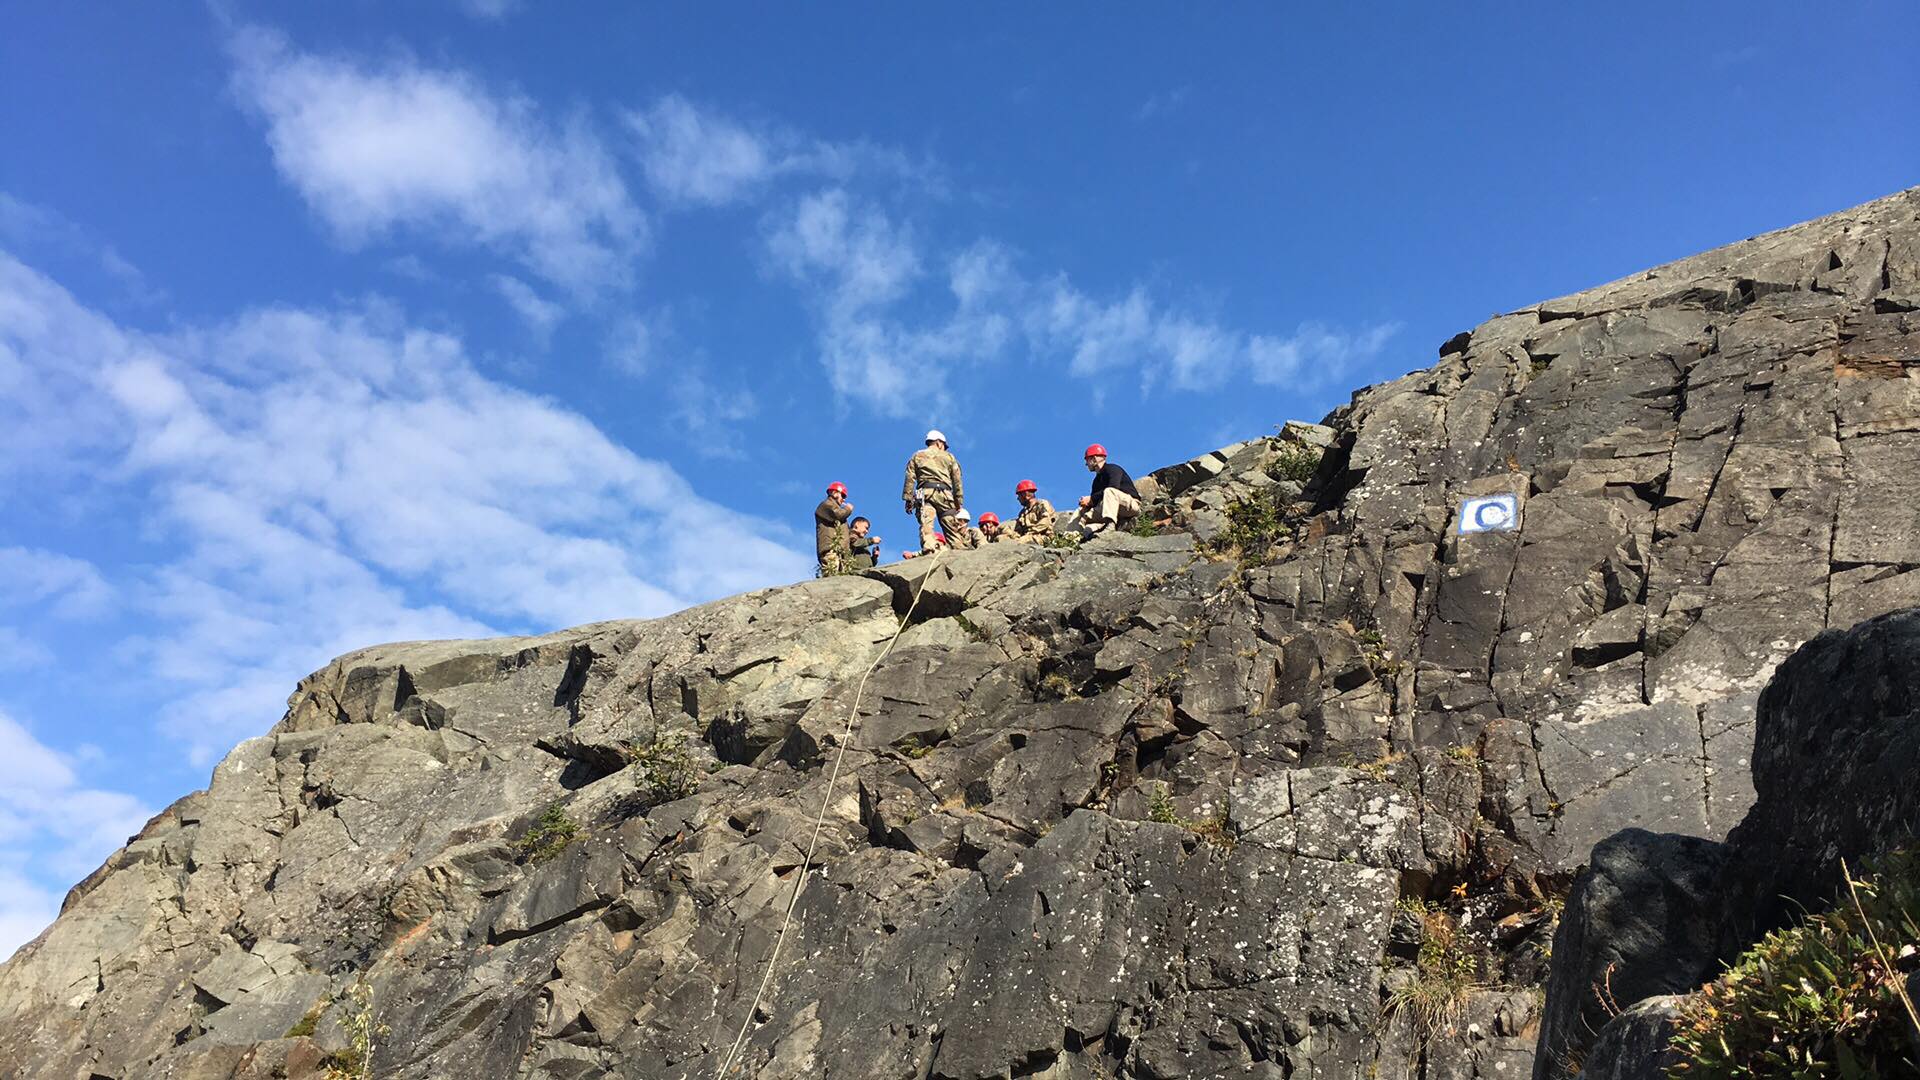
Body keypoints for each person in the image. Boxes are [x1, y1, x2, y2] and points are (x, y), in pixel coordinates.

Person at [901, 429, 967, 554]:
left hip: (924, 493)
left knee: (926, 524)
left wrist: (908, 499)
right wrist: (959, 502)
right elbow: (957, 480)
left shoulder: (917, 456)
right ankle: (959, 550)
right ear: (939, 442)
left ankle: (929, 549)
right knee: (951, 526)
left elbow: (910, 478)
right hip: (945, 495)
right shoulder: (949, 457)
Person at [1076, 443, 1140, 535]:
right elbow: (1096, 501)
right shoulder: (1096, 481)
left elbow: (1114, 488)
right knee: (1080, 511)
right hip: (1109, 509)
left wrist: (1091, 498)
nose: (1086, 464)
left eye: (1087, 459)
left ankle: (1110, 525)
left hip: (1129, 505)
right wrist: (1088, 504)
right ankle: (1072, 537)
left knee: (1109, 491)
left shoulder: (1113, 469)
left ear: (1094, 459)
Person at [815, 481, 853, 573]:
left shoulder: (836, 508)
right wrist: (848, 509)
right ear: (834, 493)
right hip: (830, 550)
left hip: (840, 552)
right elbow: (838, 515)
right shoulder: (826, 505)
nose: (843, 499)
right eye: (843, 496)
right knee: (831, 575)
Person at [1010, 480, 1055, 544]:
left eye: (1019, 495)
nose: (1018, 499)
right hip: (1027, 537)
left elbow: (1045, 522)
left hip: (1044, 537)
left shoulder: (1041, 504)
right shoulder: (1022, 513)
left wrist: (1030, 533)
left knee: (1021, 541)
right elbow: (1018, 531)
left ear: (1025, 494)